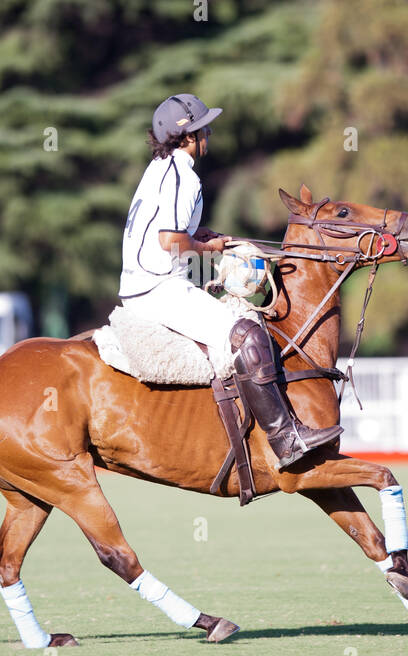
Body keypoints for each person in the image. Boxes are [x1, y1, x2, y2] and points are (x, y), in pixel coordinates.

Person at [118, 93, 341, 469]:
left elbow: (171, 232)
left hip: (146, 281)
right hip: (156, 287)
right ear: (188, 135)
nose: (210, 133)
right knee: (246, 332)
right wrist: (213, 247)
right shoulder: (182, 176)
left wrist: (198, 235)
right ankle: (285, 438)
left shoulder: (159, 167)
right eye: (205, 127)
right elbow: (169, 242)